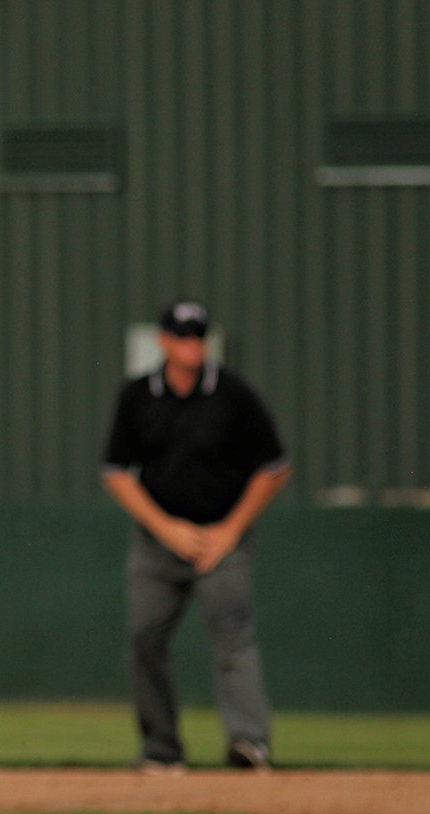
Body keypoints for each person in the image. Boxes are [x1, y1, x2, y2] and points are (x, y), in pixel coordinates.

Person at [100, 299, 291, 772]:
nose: (191, 346)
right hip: (158, 541)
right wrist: (165, 528)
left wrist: (228, 531)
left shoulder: (233, 395)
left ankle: (249, 744)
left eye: (198, 336)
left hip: (219, 540)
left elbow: (274, 467)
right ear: (163, 341)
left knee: (233, 639)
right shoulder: (139, 395)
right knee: (145, 640)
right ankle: (161, 749)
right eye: (182, 336)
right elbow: (115, 471)